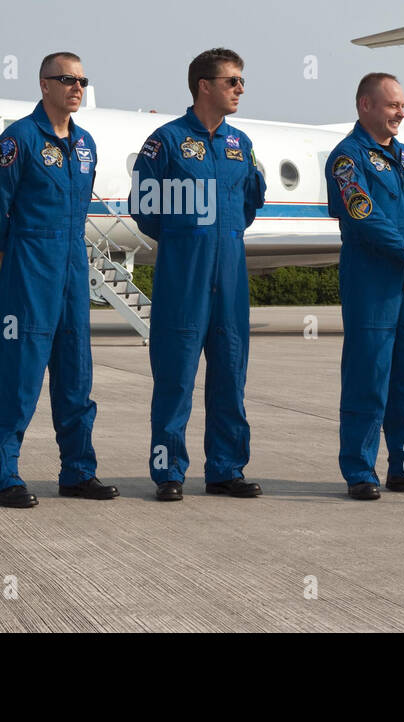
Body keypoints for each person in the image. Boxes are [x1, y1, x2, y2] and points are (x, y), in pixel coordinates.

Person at [0, 52, 119, 509]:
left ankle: (78, 471)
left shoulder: (85, 145)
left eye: (82, 79)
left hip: (74, 265)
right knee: (20, 376)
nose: (76, 87)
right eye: (66, 79)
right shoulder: (17, 140)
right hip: (31, 263)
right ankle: (4, 477)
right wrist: (17, 252)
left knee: (76, 374)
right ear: (43, 85)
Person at [130, 48, 266, 501]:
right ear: (204, 85)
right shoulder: (165, 142)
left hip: (229, 276)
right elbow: (145, 209)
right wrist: (189, 235)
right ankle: (168, 472)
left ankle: (226, 469)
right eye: (232, 81)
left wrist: (219, 237)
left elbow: (247, 206)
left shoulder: (240, 144)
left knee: (230, 373)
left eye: (241, 81)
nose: (241, 89)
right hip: (182, 278)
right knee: (175, 378)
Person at [325, 73, 404, 500]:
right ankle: (360, 472)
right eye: (392, 105)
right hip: (372, 284)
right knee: (369, 377)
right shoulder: (348, 158)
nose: (401, 112)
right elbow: (362, 215)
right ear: (365, 106)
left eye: (401, 106)